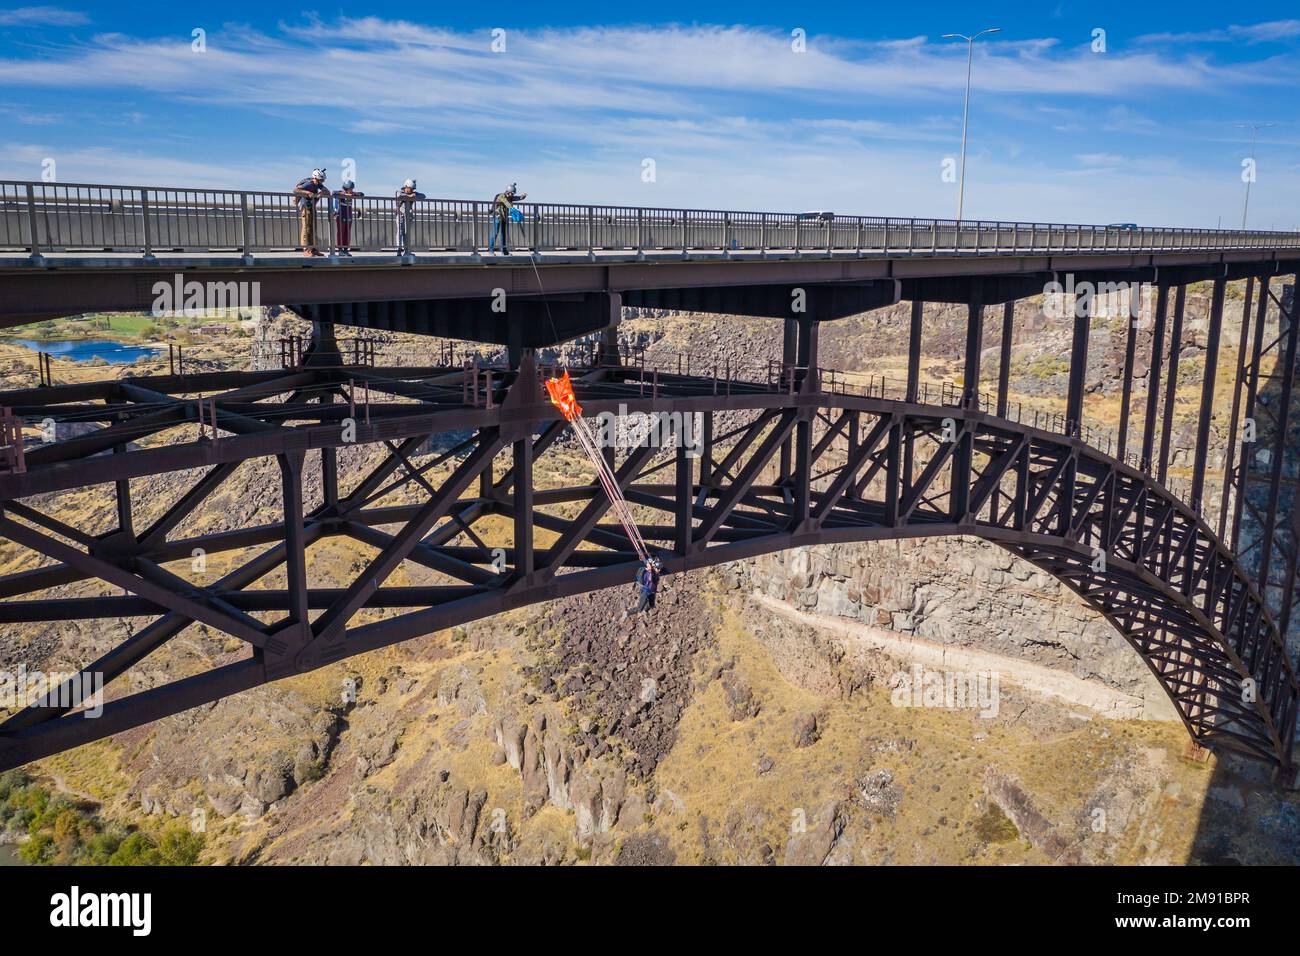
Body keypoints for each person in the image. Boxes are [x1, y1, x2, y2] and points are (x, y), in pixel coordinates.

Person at [293, 168, 330, 257]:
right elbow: (295, 190)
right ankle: (306, 249)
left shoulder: (318, 184)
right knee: (306, 227)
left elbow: (327, 191)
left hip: (311, 205)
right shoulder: (308, 183)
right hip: (305, 205)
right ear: (315, 178)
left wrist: (322, 193)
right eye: (320, 180)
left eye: (322, 180)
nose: (321, 182)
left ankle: (313, 249)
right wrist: (307, 192)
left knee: (313, 227)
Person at [489, 183, 527, 255]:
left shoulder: (510, 197)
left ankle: (504, 251)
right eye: (512, 193)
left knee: (503, 234)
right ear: (508, 191)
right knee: (495, 233)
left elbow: (517, 198)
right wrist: (512, 209)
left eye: (513, 194)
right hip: (497, 216)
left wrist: (522, 197)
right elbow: (506, 203)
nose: (512, 195)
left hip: (504, 217)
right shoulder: (501, 196)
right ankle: (491, 250)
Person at [393, 178, 425, 255]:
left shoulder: (413, 193)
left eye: (412, 189)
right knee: (400, 232)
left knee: (406, 234)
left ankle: (406, 251)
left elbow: (423, 196)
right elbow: (400, 195)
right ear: (406, 186)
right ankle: (399, 249)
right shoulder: (399, 192)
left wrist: (414, 195)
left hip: (408, 216)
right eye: (410, 188)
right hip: (401, 216)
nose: (411, 190)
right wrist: (410, 196)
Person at [333, 178, 364, 256]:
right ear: (346, 188)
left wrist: (353, 194)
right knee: (341, 233)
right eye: (350, 189)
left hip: (349, 216)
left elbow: (361, 194)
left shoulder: (352, 194)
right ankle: (340, 250)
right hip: (340, 215)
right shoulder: (340, 193)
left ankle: (346, 249)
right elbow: (334, 193)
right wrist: (346, 194)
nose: (351, 190)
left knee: (347, 233)